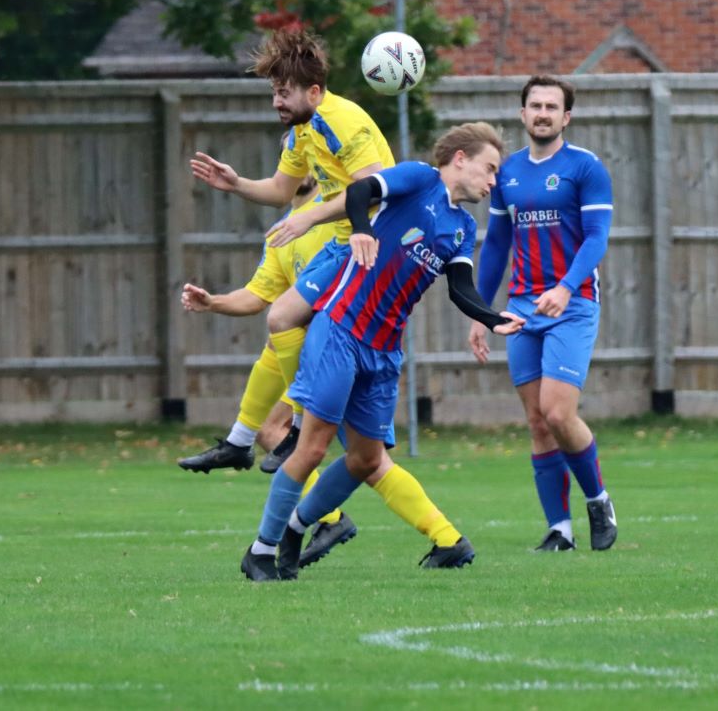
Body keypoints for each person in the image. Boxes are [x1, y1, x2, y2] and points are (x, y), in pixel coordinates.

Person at [243, 122, 526, 582]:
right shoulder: (419, 178)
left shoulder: (461, 226)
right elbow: (360, 191)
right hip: (340, 331)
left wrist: (494, 319)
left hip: (384, 352)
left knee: (366, 460)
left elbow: (461, 288)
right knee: (312, 447)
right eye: (490, 168)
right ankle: (260, 551)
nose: (494, 181)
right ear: (460, 159)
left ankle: (295, 529)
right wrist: (361, 229)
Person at [189, 28, 393, 466]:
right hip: (344, 243)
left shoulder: (342, 120)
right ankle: (283, 429)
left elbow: (373, 188)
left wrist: (310, 216)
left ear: (314, 92)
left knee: (293, 324)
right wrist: (236, 183)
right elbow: (282, 190)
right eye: (274, 93)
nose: (276, 102)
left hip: (375, 246)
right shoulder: (305, 131)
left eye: (284, 93)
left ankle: (298, 425)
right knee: (282, 319)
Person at [468, 75, 618, 553]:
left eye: (552, 107)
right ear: (523, 114)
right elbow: (496, 245)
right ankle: (560, 530)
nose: (543, 114)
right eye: (536, 105)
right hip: (521, 309)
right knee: (536, 421)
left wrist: (566, 287)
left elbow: (596, 237)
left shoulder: (585, 167)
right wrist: (480, 312)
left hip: (573, 305)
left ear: (566, 117)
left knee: (557, 411)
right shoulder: (508, 172)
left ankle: (598, 500)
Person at [178, 173, 358, 568]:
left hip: (332, 348)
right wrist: (214, 302)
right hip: (300, 349)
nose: (299, 164)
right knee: (354, 454)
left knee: (360, 456)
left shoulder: (336, 213)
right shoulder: (283, 231)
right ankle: (440, 537)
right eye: (291, 156)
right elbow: (258, 295)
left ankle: (329, 518)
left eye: (305, 154)